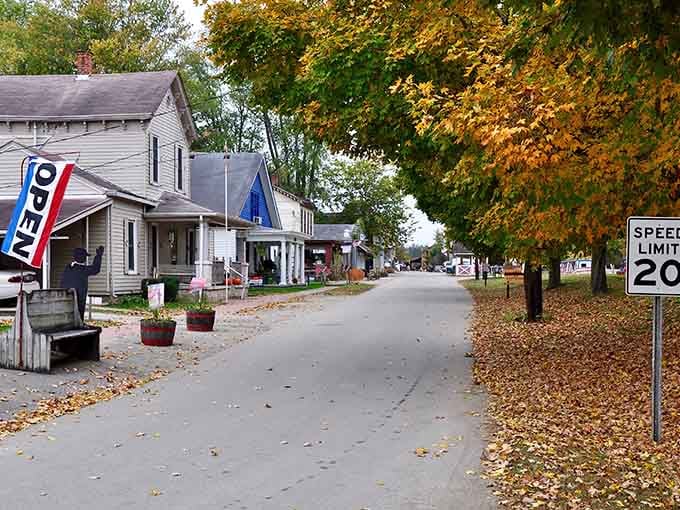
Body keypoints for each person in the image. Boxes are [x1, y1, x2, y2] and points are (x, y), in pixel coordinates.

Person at [61, 245, 104, 319]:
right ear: (83, 258)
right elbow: (95, 269)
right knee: (79, 311)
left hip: (66, 296)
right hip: (79, 297)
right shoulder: (83, 270)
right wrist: (98, 256)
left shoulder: (68, 268)